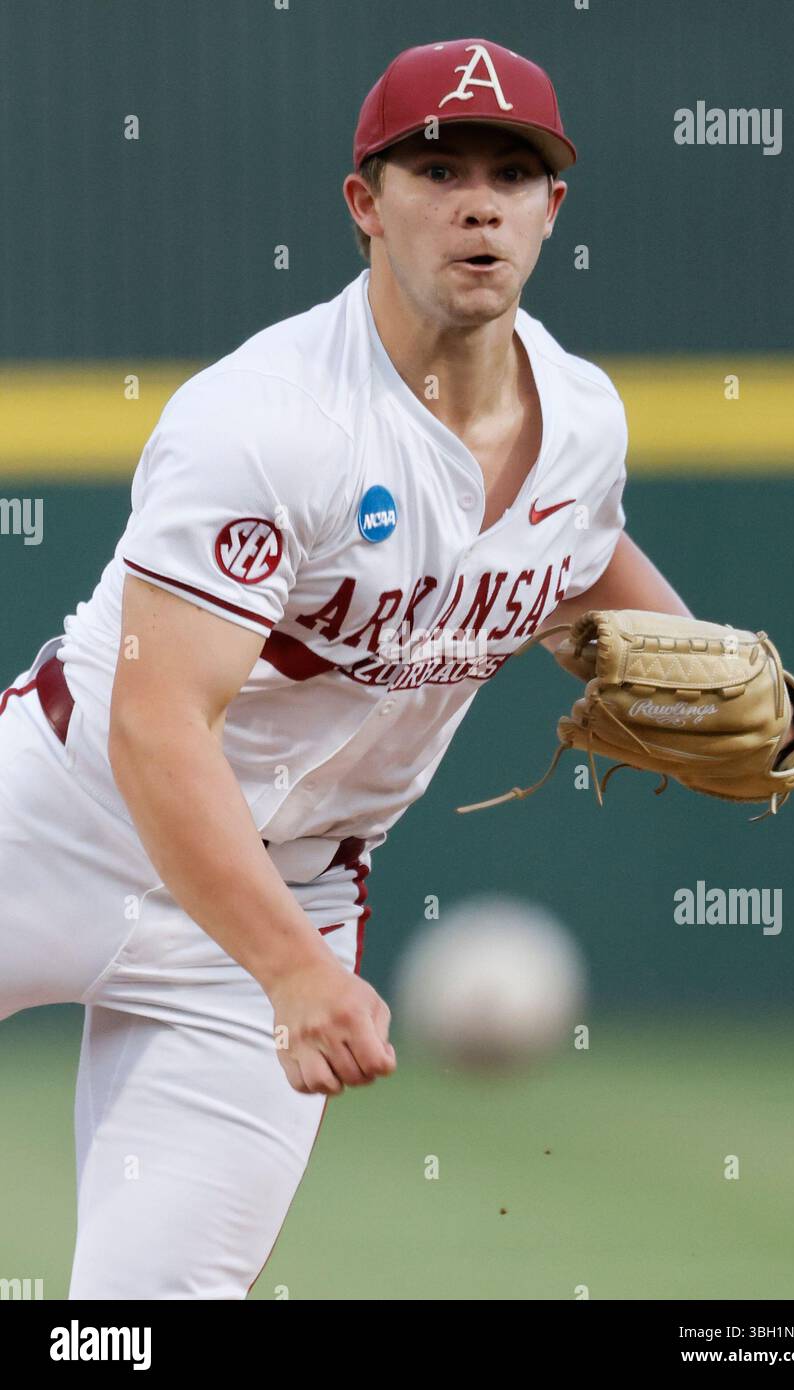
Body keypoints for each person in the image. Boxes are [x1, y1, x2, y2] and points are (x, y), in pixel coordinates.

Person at [0, 37, 693, 1299]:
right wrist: (294, 972)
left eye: (511, 170)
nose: (478, 199)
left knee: (146, 1319)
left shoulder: (582, 413)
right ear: (363, 204)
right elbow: (155, 733)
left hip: (280, 894)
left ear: (552, 209)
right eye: (436, 167)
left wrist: (699, 675)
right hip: (56, 821)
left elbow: (573, 541)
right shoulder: (265, 423)